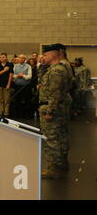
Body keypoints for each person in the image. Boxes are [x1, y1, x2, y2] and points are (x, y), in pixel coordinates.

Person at [38, 44, 70, 179]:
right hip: (59, 107)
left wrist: (50, 111)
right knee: (61, 135)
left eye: (45, 55)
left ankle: (54, 168)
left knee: (52, 138)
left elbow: (55, 93)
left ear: (53, 55)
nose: (43, 57)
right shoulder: (57, 68)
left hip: (52, 107)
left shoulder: (56, 71)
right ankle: (62, 162)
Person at [12, 54, 32, 118]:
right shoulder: (15, 66)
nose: (21, 59)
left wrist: (22, 76)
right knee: (17, 101)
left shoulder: (28, 66)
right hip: (17, 86)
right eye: (20, 58)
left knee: (26, 101)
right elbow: (12, 75)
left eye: (22, 58)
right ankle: (18, 115)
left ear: (24, 59)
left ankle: (26, 115)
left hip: (25, 86)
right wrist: (17, 76)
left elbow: (29, 76)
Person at [0, 53, 13, 117]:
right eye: (1, 57)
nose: (2, 58)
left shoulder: (10, 64)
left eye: (3, 57)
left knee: (6, 100)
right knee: (0, 100)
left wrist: (8, 84)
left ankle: (6, 113)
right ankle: (1, 112)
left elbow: (11, 74)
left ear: (6, 58)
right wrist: (4, 71)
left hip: (6, 84)